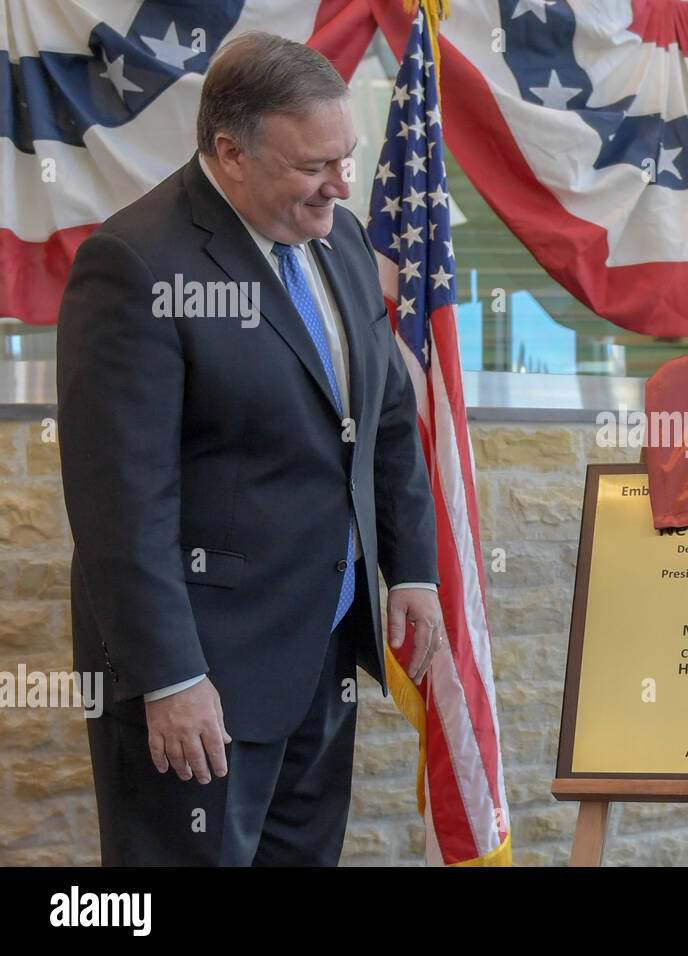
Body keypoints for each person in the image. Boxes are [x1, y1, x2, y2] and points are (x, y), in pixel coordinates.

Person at [57, 32, 446, 866]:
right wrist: (170, 679)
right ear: (230, 152)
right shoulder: (133, 263)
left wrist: (410, 568)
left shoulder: (336, 238)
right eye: (315, 166)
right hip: (201, 682)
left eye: (348, 158)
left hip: (321, 657)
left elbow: (381, 412)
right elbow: (120, 503)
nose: (341, 186)